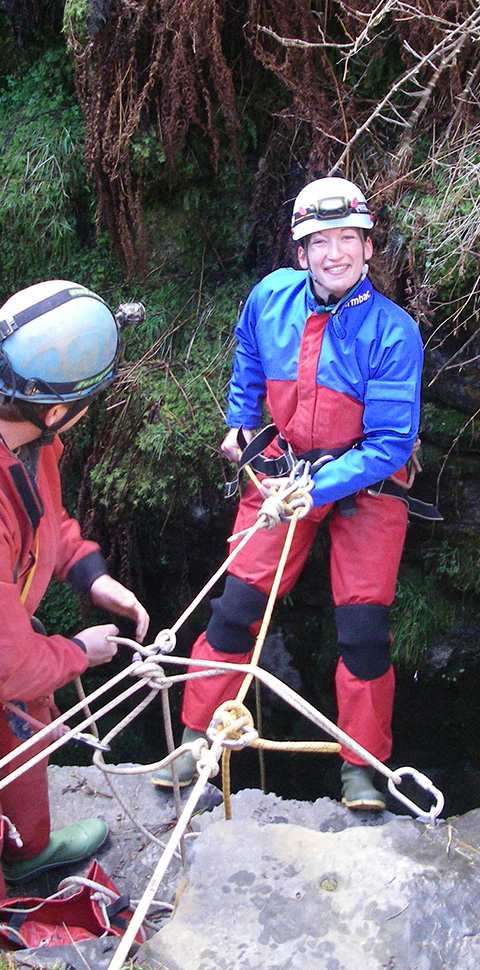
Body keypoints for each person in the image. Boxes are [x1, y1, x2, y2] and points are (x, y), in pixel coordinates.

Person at [152, 176, 423, 810]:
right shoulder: (269, 298)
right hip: (282, 470)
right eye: (320, 241)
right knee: (235, 608)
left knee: (362, 628)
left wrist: (316, 488)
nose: (336, 253)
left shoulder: (392, 331)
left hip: (364, 484)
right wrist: (240, 419)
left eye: (349, 239)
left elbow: (388, 444)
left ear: (368, 247)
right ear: (299, 251)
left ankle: (362, 767)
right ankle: (197, 739)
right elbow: (248, 357)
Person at [0, 279, 150, 895]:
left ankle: (24, 850)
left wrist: (92, 575)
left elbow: (46, 521)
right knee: (20, 700)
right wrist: (77, 655)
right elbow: (9, 665)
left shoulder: (30, 442)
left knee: (24, 719)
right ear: (56, 409)